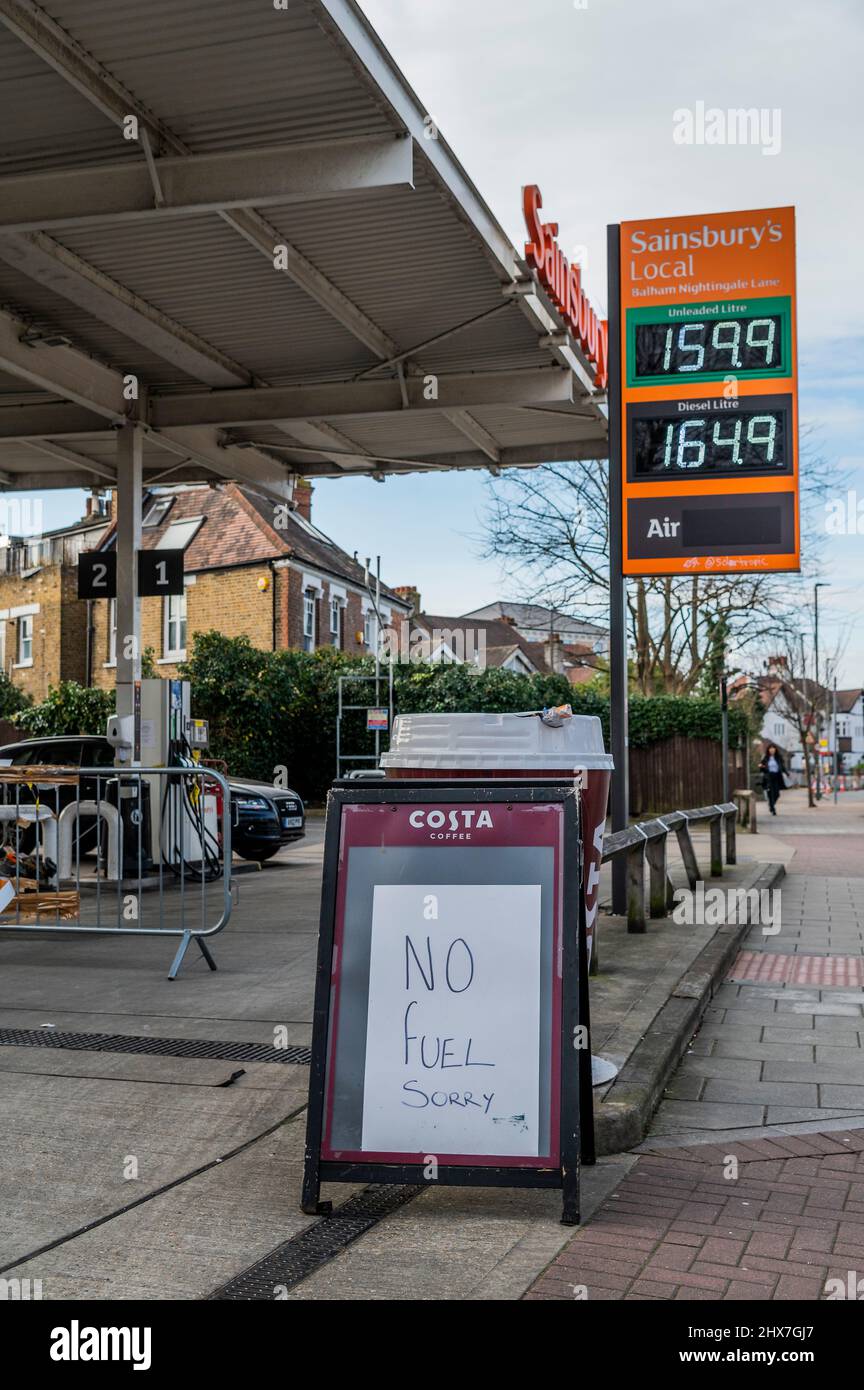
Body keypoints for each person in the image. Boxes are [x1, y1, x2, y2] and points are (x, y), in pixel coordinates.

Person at [759, 744, 787, 815]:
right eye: (770, 748)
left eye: (773, 748)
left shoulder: (778, 758)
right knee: (770, 793)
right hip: (768, 777)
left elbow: (782, 766)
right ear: (768, 750)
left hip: (777, 776)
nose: (772, 750)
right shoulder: (765, 758)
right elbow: (761, 768)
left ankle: (771, 804)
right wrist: (761, 766)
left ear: (775, 750)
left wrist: (787, 773)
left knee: (777, 794)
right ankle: (773, 808)